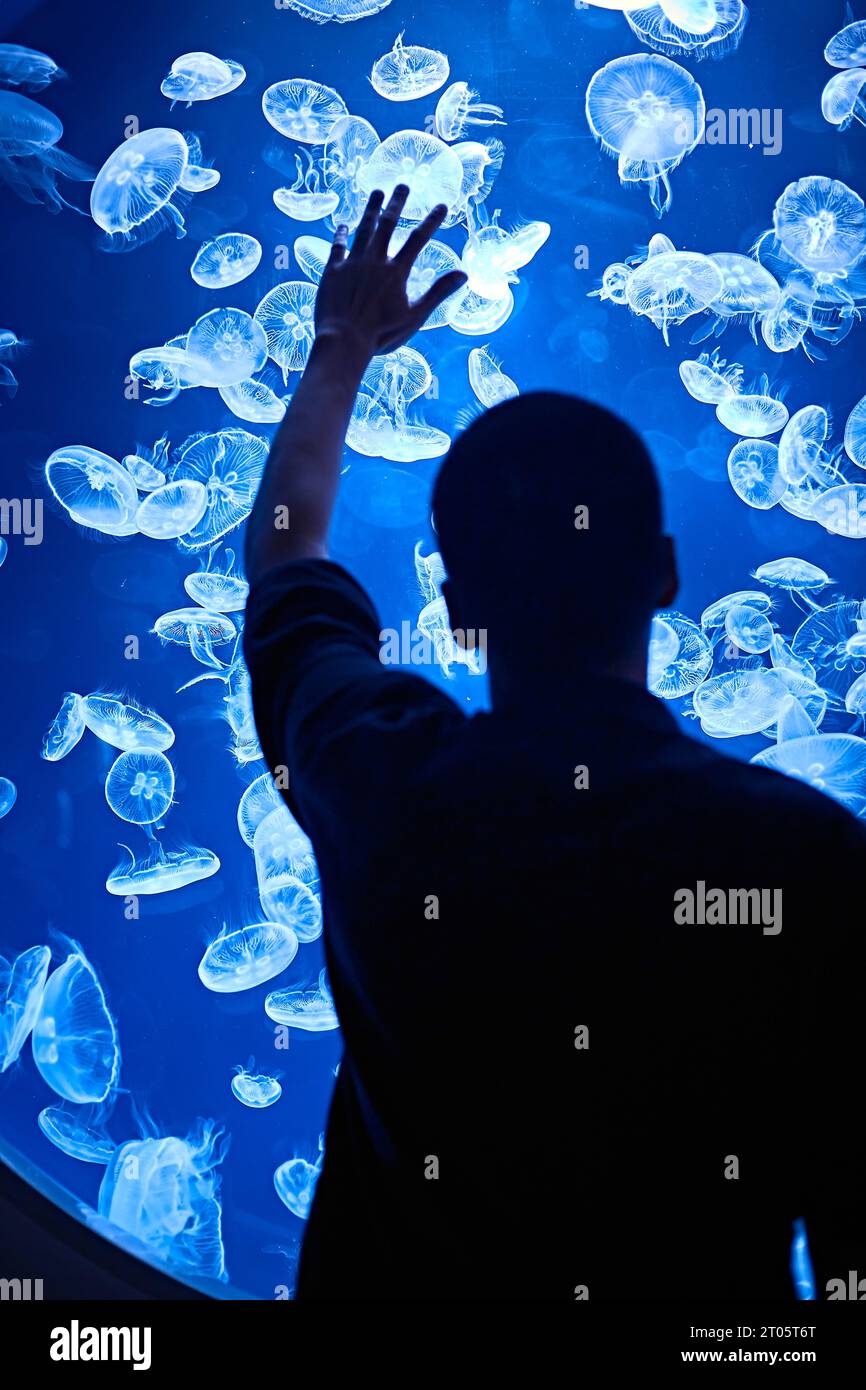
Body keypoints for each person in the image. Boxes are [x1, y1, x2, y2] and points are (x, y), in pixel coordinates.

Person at [244, 188, 866, 1301]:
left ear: (455, 595)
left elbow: (288, 560)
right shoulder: (810, 858)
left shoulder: (375, 779)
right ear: (667, 576)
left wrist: (341, 346)